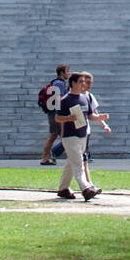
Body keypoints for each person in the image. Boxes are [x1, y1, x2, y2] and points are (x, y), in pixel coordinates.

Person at [54, 73, 100, 201]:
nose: (84, 84)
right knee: (78, 162)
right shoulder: (64, 100)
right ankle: (86, 188)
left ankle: (63, 188)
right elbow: (57, 118)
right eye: (81, 81)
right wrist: (68, 118)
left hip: (82, 134)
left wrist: (100, 118)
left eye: (84, 82)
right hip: (70, 136)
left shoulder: (85, 98)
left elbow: (90, 115)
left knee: (72, 162)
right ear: (73, 83)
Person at [78, 71, 112, 188]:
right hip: (74, 133)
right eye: (87, 82)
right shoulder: (73, 96)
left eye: (90, 83)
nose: (89, 85)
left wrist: (104, 124)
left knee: (83, 159)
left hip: (85, 132)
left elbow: (93, 114)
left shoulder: (89, 96)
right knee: (79, 160)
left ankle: (88, 184)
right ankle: (87, 185)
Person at [39, 62, 70, 164]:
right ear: (62, 73)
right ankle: (45, 158)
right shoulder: (59, 83)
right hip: (56, 114)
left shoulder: (57, 83)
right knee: (54, 136)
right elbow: (60, 99)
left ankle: (48, 157)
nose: (68, 74)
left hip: (55, 113)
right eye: (67, 72)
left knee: (61, 136)